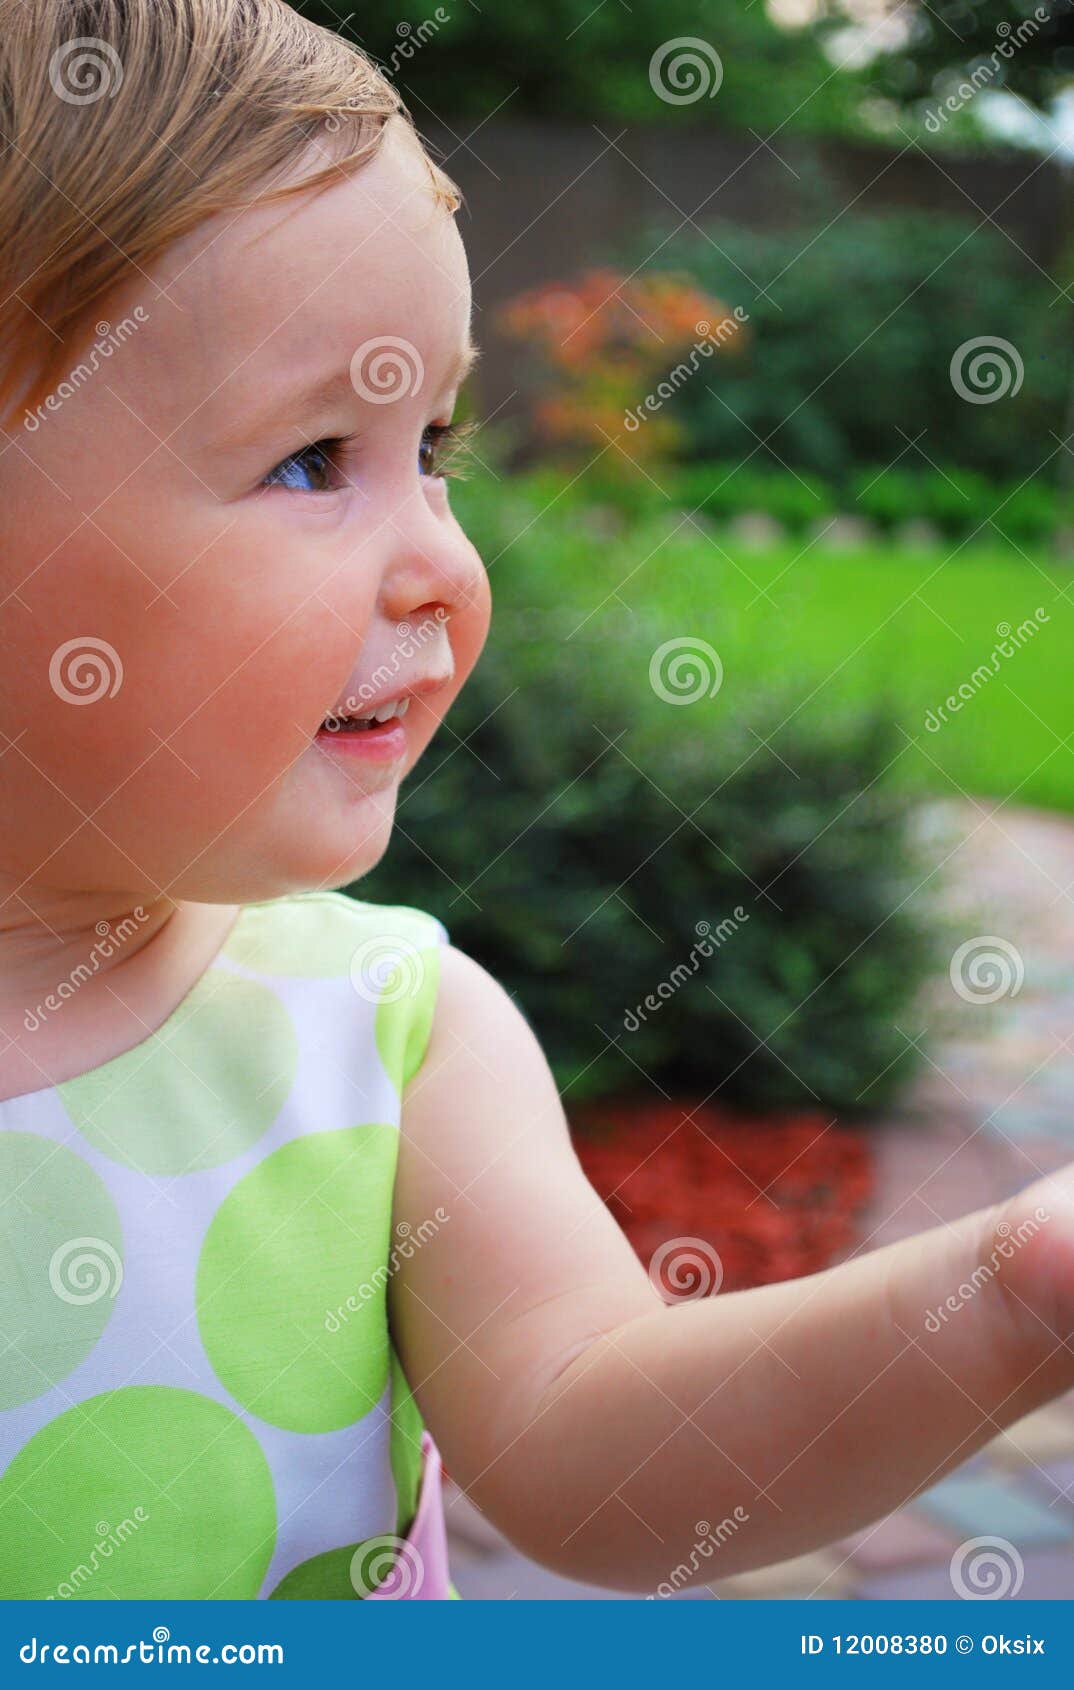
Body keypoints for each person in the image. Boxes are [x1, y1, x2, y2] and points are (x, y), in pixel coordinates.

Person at [0, 0, 1070, 1601]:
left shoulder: (387, 1037)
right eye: (312, 460)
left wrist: (1007, 1296)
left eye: (431, 442)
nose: (444, 558)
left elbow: (603, 1450)